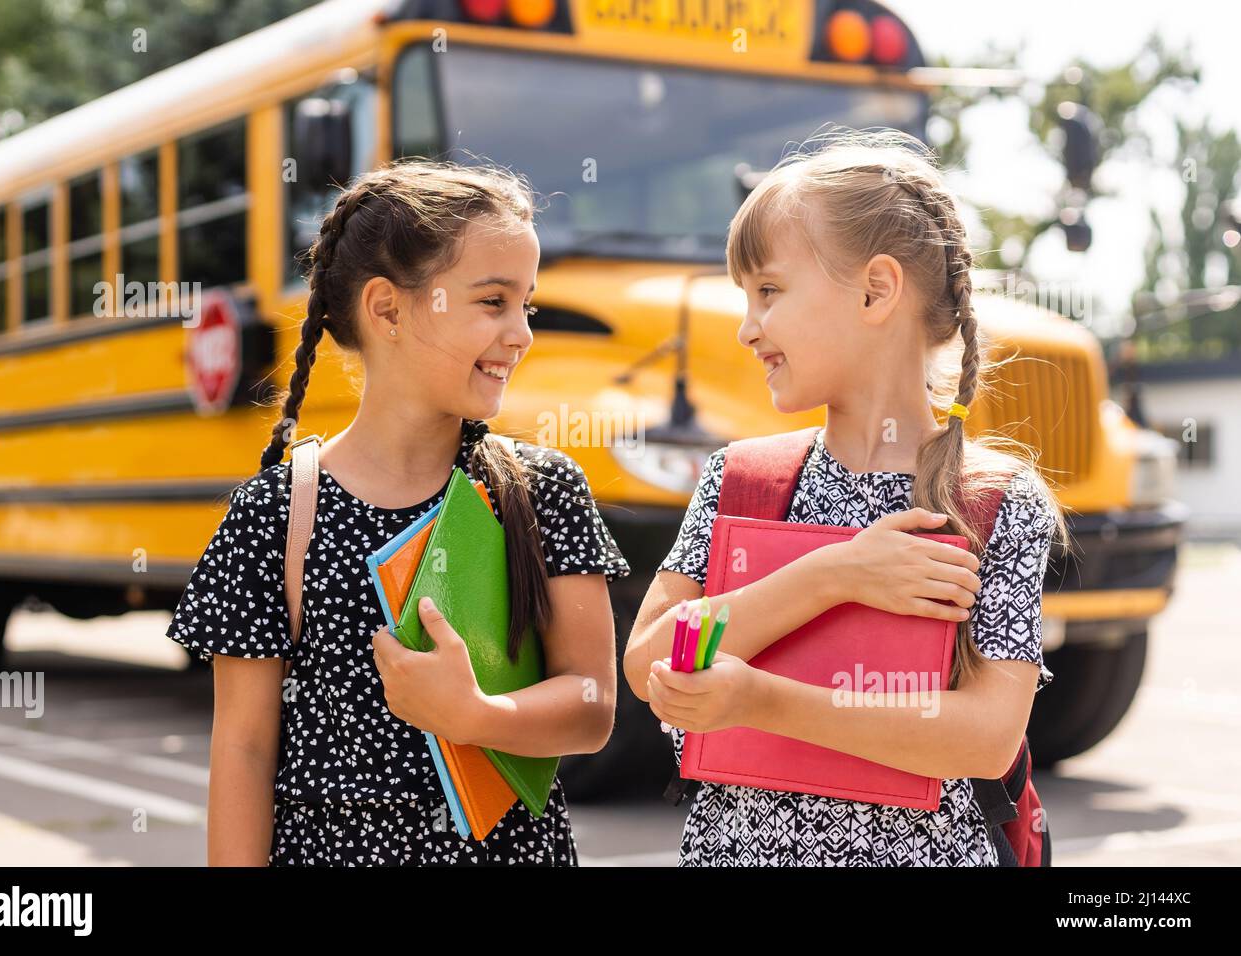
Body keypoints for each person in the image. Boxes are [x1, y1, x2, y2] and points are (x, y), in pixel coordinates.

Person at [624, 129, 1071, 866]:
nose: (746, 328)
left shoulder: (996, 501)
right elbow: (648, 663)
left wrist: (762, 701)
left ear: (876, 290)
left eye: (768, 291)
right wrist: (835, 575)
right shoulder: (740, 478)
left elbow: (986, 737)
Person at [166, 159, 630, 865]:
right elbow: (243, 748)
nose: (522, 334)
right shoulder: (275, 515)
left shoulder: (542, 491)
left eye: (525, 305)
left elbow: (593, 705)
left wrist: (474, 715)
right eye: (493, 301)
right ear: (386, 309)